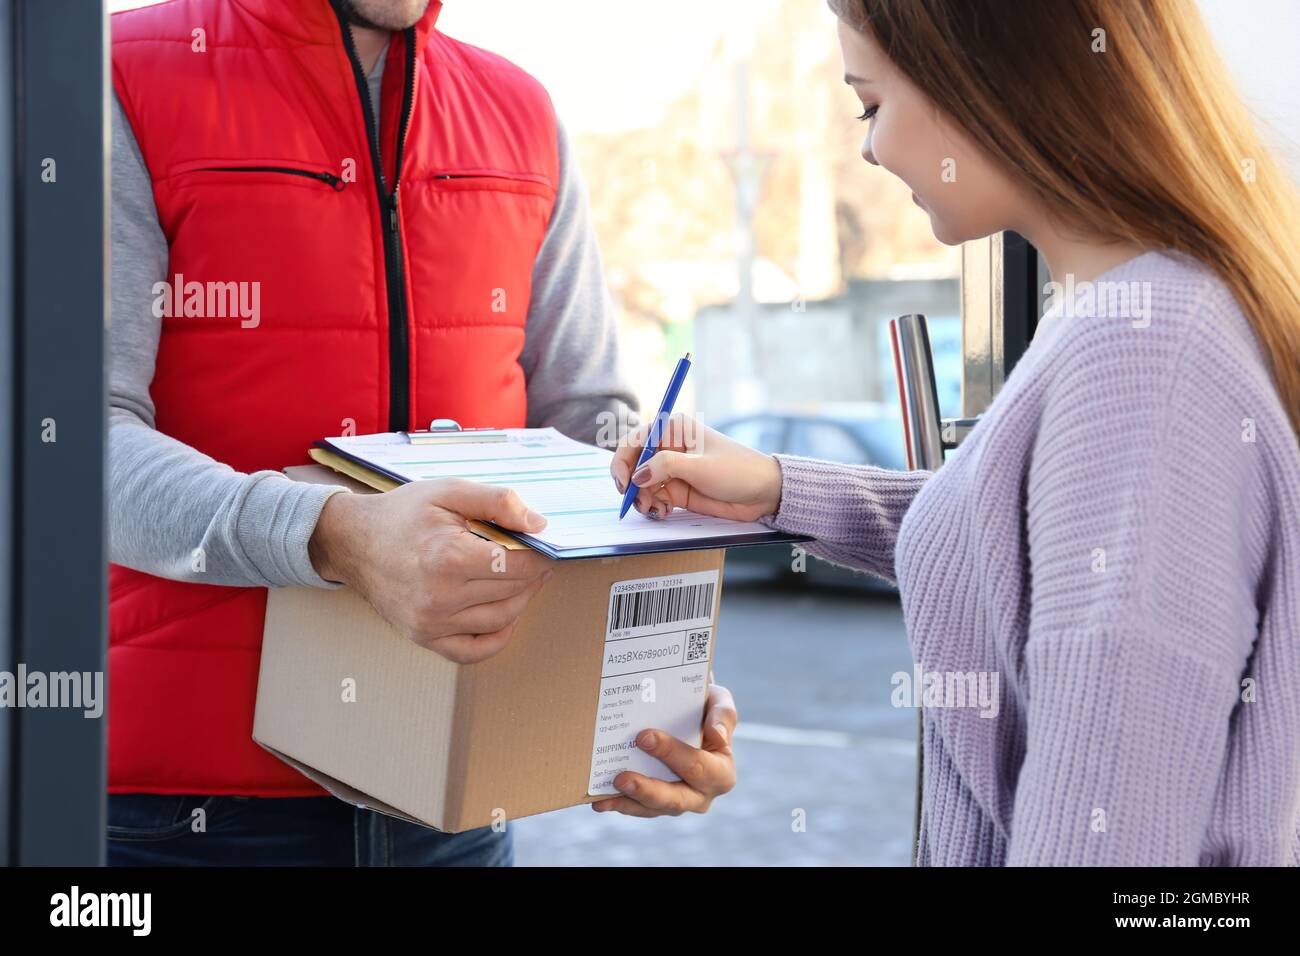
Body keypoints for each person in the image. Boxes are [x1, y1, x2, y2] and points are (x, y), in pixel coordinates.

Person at [613, 0, 1300, 866]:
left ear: (984, 79)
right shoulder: (1126, 311)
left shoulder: (1141, 354)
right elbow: (1015, 545)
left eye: (870, 104)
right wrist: (779, 490)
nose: (868, 147)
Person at [107, 0, 734, 866]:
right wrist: (337, 537)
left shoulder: (520, 110)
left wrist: (647, 681)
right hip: (180, 814)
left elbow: (593, 428)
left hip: (454, 799)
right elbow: (65, 445)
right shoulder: (119, 75)